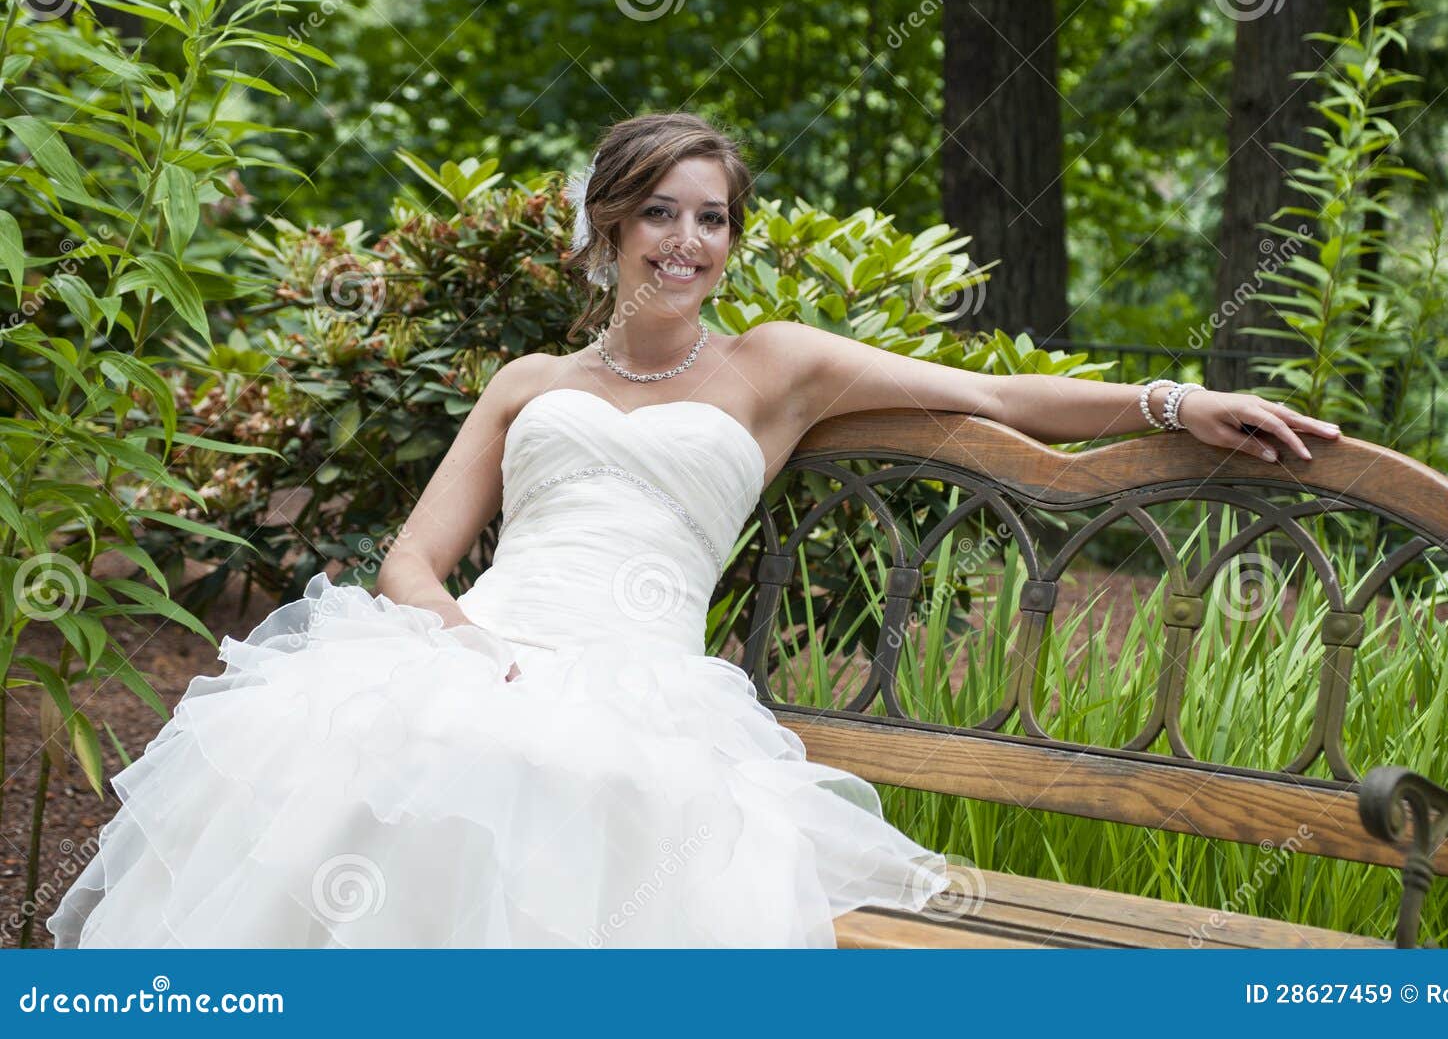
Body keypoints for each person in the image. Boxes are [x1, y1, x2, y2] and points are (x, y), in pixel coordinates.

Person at [46, 111, 1340, 948]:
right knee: (378, 767)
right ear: (609, 226)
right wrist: (457, 646)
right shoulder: (530, 384)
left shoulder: (776, 368)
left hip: (644, 687)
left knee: (578, 786)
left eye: (711, 216)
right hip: (481, 647)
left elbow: (997, 396)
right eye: (661, 211)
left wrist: (1176, 397)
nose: (687, 240)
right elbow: (408, 562)